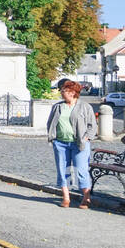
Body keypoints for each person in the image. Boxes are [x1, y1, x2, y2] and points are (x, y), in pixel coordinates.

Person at [46, 79, 97, 208]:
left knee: (81, 170)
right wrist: (53, 137)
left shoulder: (84, 106)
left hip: (79, 143)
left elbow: (92, 125)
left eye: (65, 91)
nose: (62, 93)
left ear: (73, 92)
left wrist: (87, 138)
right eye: (62, 90)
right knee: (63, 170)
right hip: (61, 143)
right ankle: (66, 197)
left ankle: (86, 197)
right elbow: (50, 123)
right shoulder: (58, 106)